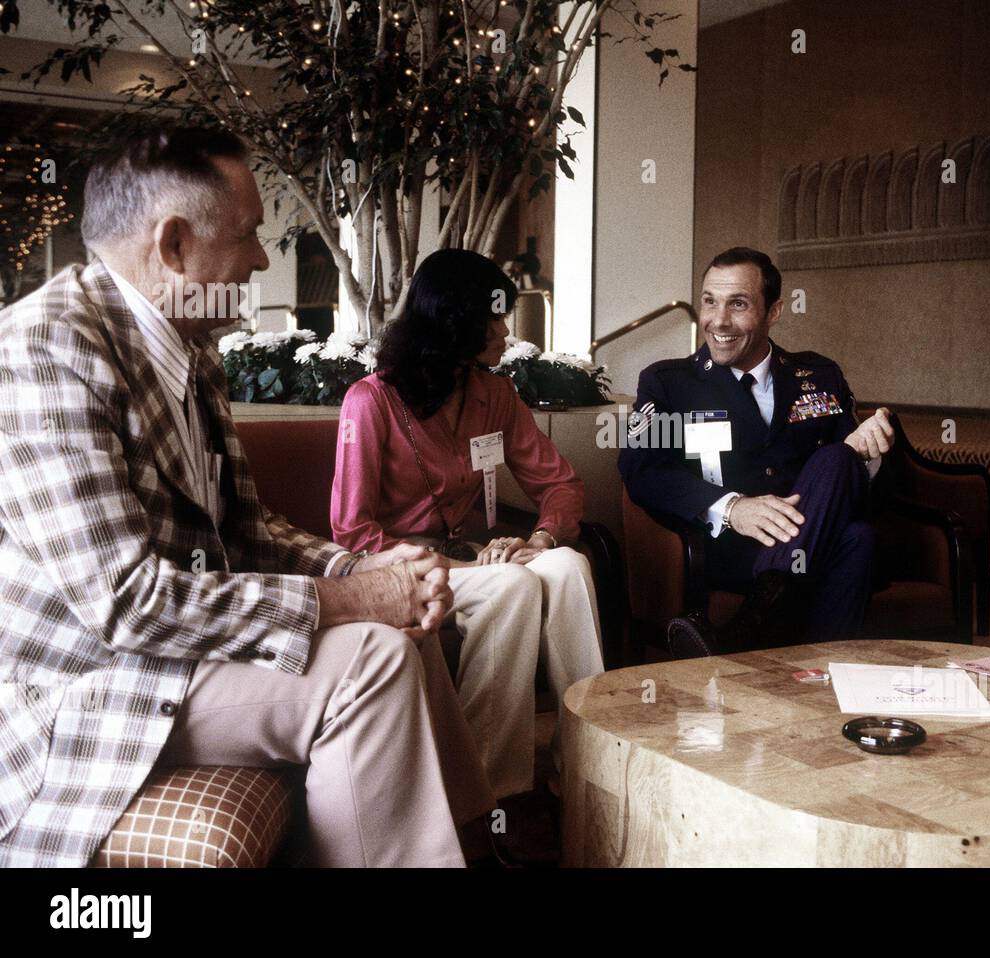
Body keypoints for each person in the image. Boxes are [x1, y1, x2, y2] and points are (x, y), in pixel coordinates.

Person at [0, 126, 494, 868]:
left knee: (404, 636)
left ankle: (470, 841)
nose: (264, 257)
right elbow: (129, 603)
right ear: (173, 246)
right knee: (369, 659)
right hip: (82, 684)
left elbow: (248, 528)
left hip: (172, 652)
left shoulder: (188, 344)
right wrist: (361, 601)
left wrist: (359, 571)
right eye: (248, 234)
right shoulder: (43, 353)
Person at [331, 249, 604, 799]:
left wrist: (539, 539)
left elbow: (562, 484)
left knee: (568, 565)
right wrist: (466, 562)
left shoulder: (494, 395)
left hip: (476, 556)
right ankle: (485, 791)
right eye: (494, 315)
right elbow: (353, 531)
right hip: (396, 570)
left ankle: (588, 762)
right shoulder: (370, 401)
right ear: (455, 318)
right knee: (512, 583)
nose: (506, 330)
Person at [618, 246, 895, 658]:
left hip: (809, 548)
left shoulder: (819, 376)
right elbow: (642, 471)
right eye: (710, 302)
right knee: (856, 539)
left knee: (844, 477)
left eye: (739, 304)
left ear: (775, 311)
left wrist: (870, 449)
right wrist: (732, 508)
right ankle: (817, 679)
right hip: (726, 550)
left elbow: (852, 482)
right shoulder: (669, 383)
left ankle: (752, 630)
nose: (718, 321)